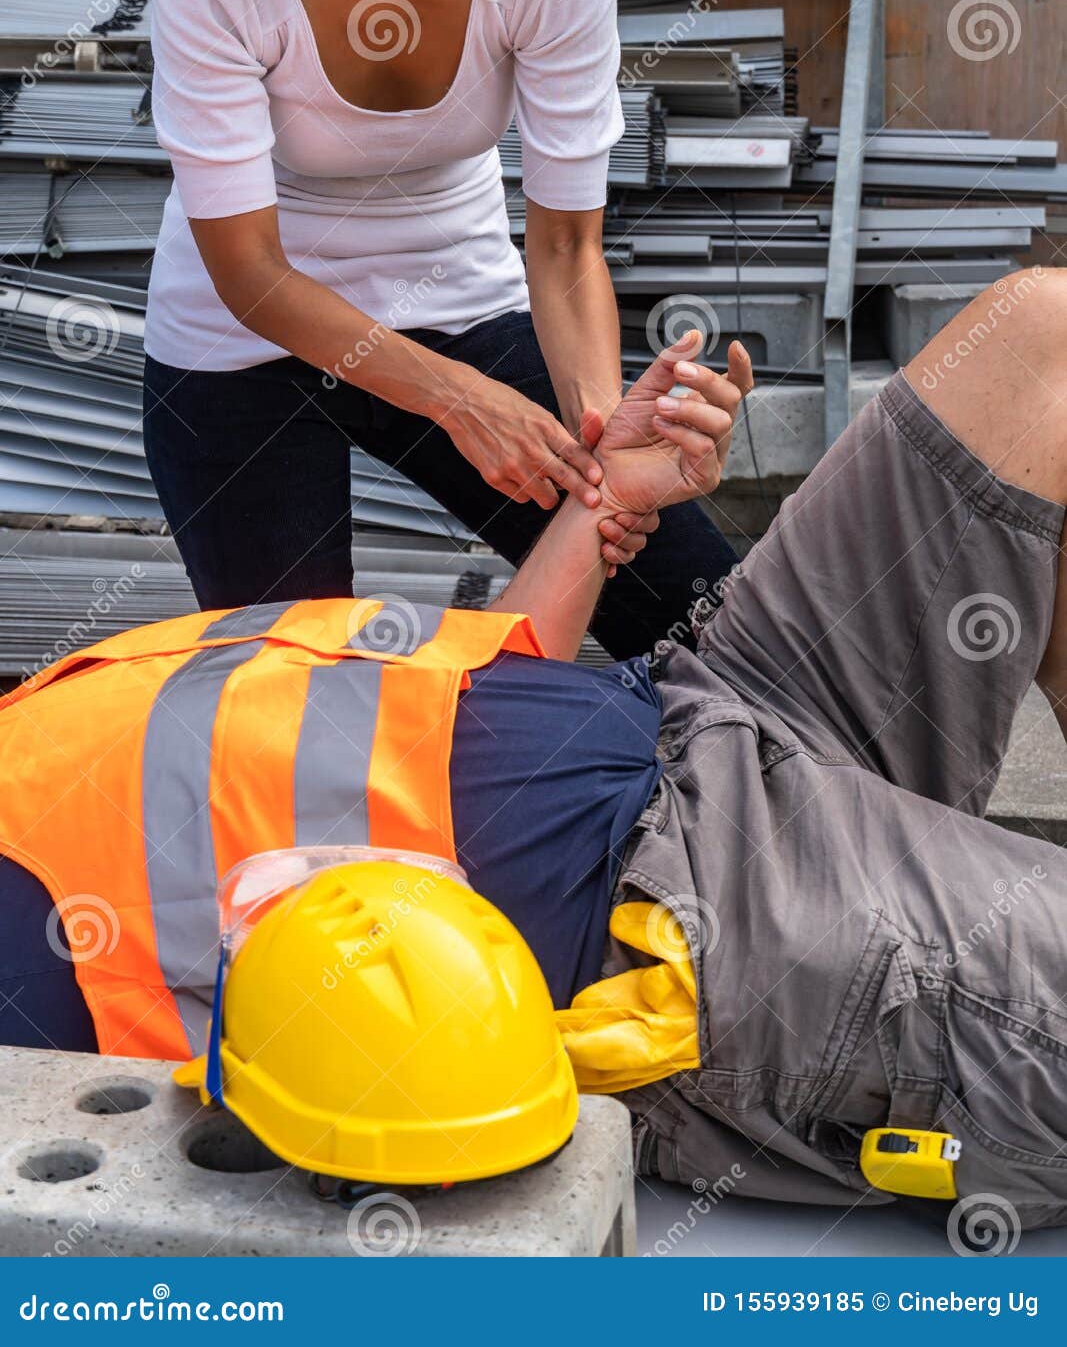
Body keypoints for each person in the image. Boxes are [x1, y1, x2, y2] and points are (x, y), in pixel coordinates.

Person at [3, 268, 1067, 1232]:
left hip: (698, 700)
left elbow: (435, 710)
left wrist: (604, 494)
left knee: (1039, 337)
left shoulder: (43, 714)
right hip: (678, 918)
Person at [113, 0, 739, 661]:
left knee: (707, 625)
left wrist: (597, 441)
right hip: (243, 345)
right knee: (291, 700)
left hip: (457, 300)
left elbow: (567, 245)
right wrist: (452, 398)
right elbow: (248, 271)